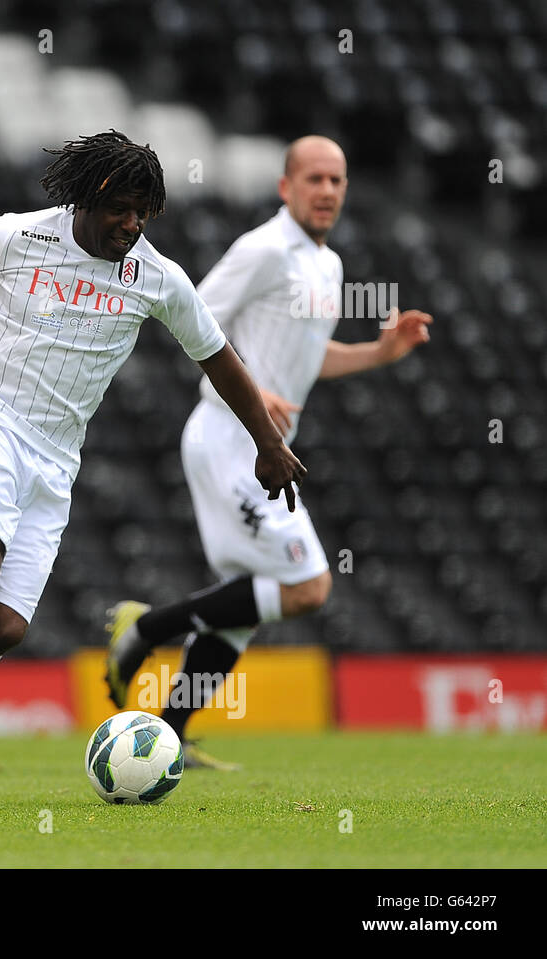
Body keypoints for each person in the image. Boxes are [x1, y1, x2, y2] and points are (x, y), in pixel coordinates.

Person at [0, 129, 307, 807]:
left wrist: (268, 443)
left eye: (142, 212)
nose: (131, 223)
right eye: (120, 207)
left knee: (3, 628)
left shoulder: (157, 275)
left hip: (56, 455)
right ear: (86, 197)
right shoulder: (16, 236)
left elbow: (217, 356)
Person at [103, 136, 433, 768]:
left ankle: (167, 735)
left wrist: (379, 352)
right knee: (308, 586)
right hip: (229, 438)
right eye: (314, 179)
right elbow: (192, 319)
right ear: (286, 187)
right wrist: (252, 394)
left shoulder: (326, 265)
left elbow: (309, 359)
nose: (327, 191)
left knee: (243, 607)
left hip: (261, 449)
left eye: (337, 180)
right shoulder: (262, 250)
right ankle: (145, 630)